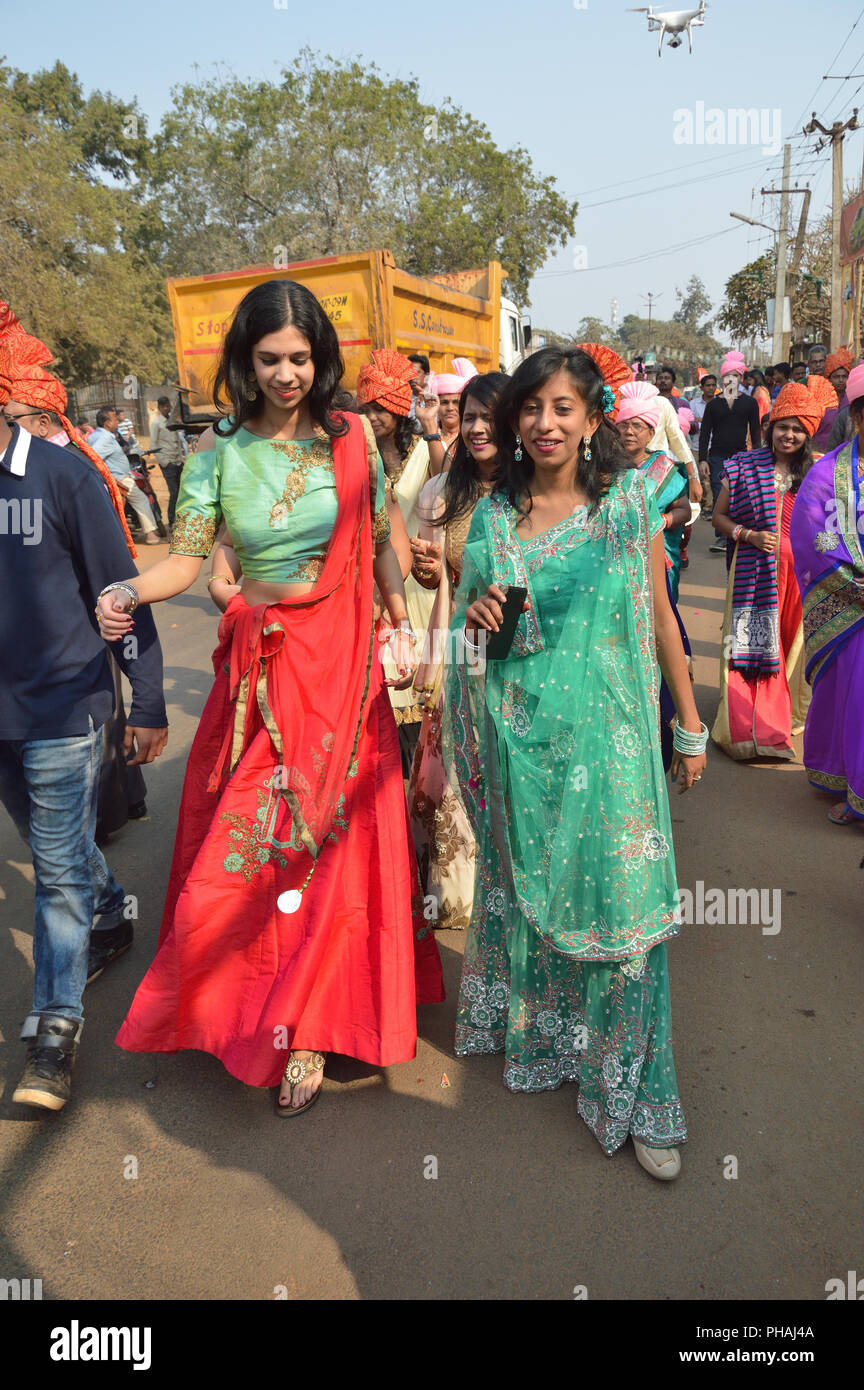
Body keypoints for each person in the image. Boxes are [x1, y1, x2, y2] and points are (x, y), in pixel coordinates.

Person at [96, 279, 443, 1116]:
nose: (288, 374)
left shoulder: (351, 436)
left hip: (347, 672)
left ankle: (311, 1028)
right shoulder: (216, 452)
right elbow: (187, 558)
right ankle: (235, 1002)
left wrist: (405, 629)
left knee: (335, 850)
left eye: (301, 358)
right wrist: (129, 591)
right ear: (244, 364)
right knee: (247, 849)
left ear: (322, 359)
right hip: (260, 682)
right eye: (270, 360)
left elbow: (379, 548)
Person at [443, 345, 707, 1181]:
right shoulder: (491, 523)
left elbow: (659, 616)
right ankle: (557, 1043)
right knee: (537, 900)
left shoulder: (628, 505)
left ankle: (642, 1095)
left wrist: (691, 724)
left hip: (617, 748)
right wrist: (479, 623)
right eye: (532, 408)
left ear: (594, 420)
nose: (545, 423)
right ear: (514, 421)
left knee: (627, 918)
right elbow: (481, 647)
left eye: (563, 408)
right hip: (531, 748)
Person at [0, 342, 168, 1112]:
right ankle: (111, 911)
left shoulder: (63, 478)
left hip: (63, 706)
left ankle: (55, 1034)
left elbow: (120, 591)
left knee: (57, 868)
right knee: (52, 847)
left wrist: (148, 695)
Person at [0, 327, 149, 836]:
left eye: (13, 414)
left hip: (85, 634)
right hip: (21, 687)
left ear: (40, 420)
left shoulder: (70, 467)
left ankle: (113, 809)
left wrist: (148, 691)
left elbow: (112, 574)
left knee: (106, 726)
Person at [407, 371, 509, 933]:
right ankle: (456, 896)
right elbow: (436, 579)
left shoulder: (534, 491)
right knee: (451, 780)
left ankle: (512, 890)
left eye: (488, 416)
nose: (474, 426)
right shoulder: (442, 492)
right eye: (467, 415)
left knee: (507, 772)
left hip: (522, 654)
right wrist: (426, 571)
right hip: (460, 651)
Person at [710, 381, 826, 761]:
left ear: (807, 435)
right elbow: (719, 517)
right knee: (749, 647)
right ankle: (742, 729)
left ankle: (778, 724)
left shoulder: (818, 472)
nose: (788, 435)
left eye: (797, 429)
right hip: (751, 572)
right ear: (769, 427)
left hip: (799, 578)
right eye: (782, 426)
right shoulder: (743, 465)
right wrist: (749, 535)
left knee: (787, 648)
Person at [356, 348, 437, 777]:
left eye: (379, 408)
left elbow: (448, 487)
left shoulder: (425, 453)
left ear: (396, 408)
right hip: (373, 589)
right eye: (364, 408)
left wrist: (433, 431)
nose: (371, 417)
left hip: (422, 589)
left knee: (426, 700)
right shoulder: (352, 456)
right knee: (383, 701)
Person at [790, 361, 864, 823]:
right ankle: (854, 788)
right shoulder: (825, 476)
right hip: (852, 606)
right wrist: (856, 586)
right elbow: (814, 539)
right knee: (853, 698)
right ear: (857, 416)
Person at [617, 381, 691, 601]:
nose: (629, 431)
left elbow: (684, 511)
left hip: (657, 557)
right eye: (623, 425)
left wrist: (659, 522)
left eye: (637, 426)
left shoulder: (665, 468)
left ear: (650, 433)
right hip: (615, 561)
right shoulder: (605, 468)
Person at [699, 351, 761, 552]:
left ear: (741, 378)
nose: (731, 380)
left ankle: (737, 532)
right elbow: (704, 434)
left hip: (741, 457)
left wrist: (759, 458)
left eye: (736, 376)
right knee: (718, 494)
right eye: (728, 376)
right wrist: (702, 460)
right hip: (717, 457)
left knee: (738, 495)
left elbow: (756, 432)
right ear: (723, 379)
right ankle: (722, 537)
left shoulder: (750, 403)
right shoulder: (713, 405)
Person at [90, 407, 161, 545]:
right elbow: (93, 455)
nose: (117, 422)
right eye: (115, 419)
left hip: (112, 477)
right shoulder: (105, 438)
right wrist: (108, 476)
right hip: (119, 479)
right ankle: (151, 535)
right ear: (107, 423)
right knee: (141, 500)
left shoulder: (96, 435)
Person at [427, 358, 478, 462]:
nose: (450, 408)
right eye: (444, 402)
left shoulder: (471, 440)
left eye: (456, 402)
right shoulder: (423, 441)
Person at [149, 395, 186, 526]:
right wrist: (164, 462)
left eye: (168, 406)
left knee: (182, 491)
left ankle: (180, 518)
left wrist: (181, 459)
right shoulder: (157, 424)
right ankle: (172, 521)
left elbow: (179, 441)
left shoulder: (173, 421)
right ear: (159, 408)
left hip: (178, 461)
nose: (166, 408)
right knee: (174, 492)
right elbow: (153, 446)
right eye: (163, 407)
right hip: (167, 463)